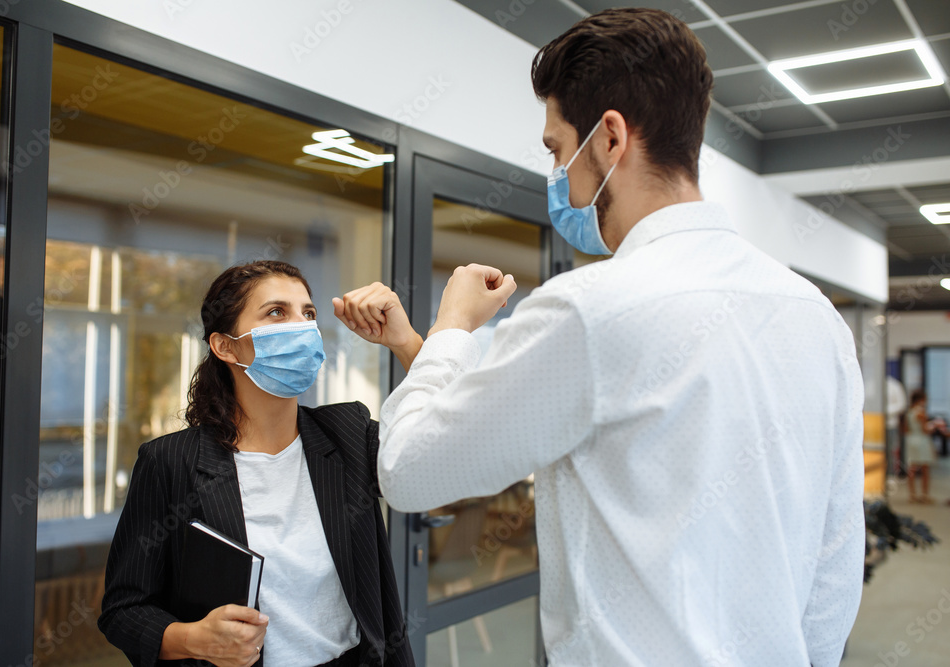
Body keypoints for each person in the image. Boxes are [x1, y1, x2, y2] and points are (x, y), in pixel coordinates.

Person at [337, 8, 865, 667]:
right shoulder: (815, 317)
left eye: (557, 149)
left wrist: (452, 326)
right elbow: (835, 565)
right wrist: (418, 347)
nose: (558, 172)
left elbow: (409, 472)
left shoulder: (591, 310)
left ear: (611, 138)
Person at [98, 261, 417, 667]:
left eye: (308, 313)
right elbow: (123, 611)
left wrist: (406, 342)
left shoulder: (348, 434)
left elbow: (447, 446)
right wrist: (195, 639)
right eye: (277, 312)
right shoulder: (170, 462)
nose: (301, 326)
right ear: (225, 346)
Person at [903, 389, 945, 504]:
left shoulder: (909, 412)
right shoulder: (921, 412)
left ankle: (912, 494)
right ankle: (924, 494)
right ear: (921, 399)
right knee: (925, 469)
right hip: (922, 441)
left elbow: (905, 429)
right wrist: (934, 425)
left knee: (911, 468)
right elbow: (925, 429)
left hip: (911, 440)